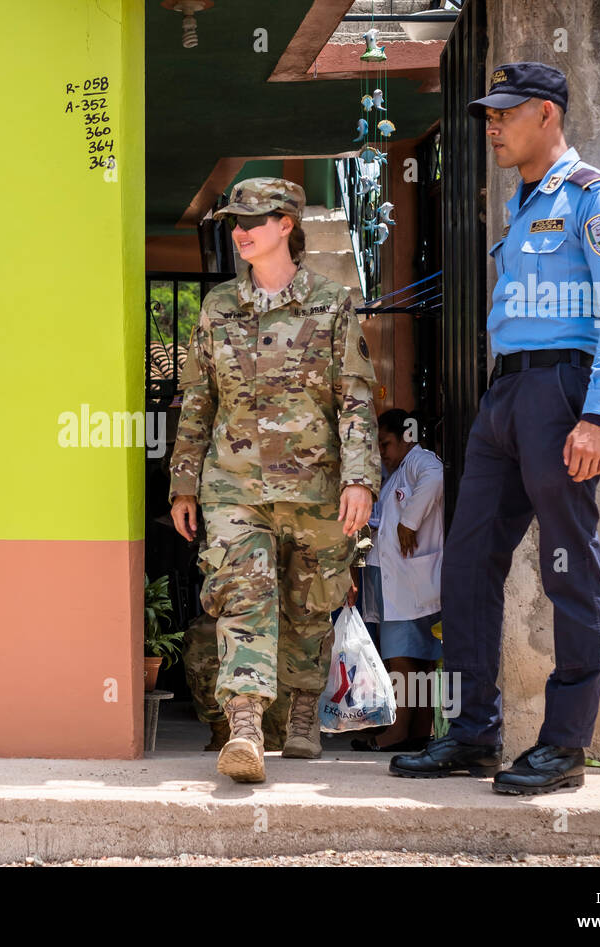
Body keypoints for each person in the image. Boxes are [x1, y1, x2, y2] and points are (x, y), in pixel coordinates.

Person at [391, 63, 600, 793]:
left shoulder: (595, 198)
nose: (493, 128)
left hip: (561, 393)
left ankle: (564, 747)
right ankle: (472, 734)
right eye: (489, 117)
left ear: (546, 114)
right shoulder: (526, 204)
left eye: (504, 115)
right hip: (505, 396)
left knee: (570, 566)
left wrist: (597, 413)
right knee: (466, 564)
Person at [169, 177, 381, 783]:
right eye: (234, 221)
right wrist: (184, 484)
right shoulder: (217, 308)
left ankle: (303, 714)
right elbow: (197, 401)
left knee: (311, 606)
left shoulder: (332, 302)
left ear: (287, 224)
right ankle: (244, 726)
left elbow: (355, 398)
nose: (239, 231)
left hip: (316, 487)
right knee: (242, 597)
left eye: (253, 220)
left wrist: (360, 479)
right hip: (233, 486)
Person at [351, 408, 443, 752]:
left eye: (386, 444)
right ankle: (418, 730)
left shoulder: (422, 462)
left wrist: (409, 522)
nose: (382, 452)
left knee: (401, 657)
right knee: (417, 657)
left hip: (406, 582)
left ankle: (398, 732)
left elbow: (436, 479)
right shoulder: (396, 474)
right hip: (400, 581)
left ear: (407, 435)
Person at [181, 612, 290, 751]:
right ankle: (225, 731)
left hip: (287, 605)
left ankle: (275, 737)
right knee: (203, 635)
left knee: (293, 643)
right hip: (238, 602)